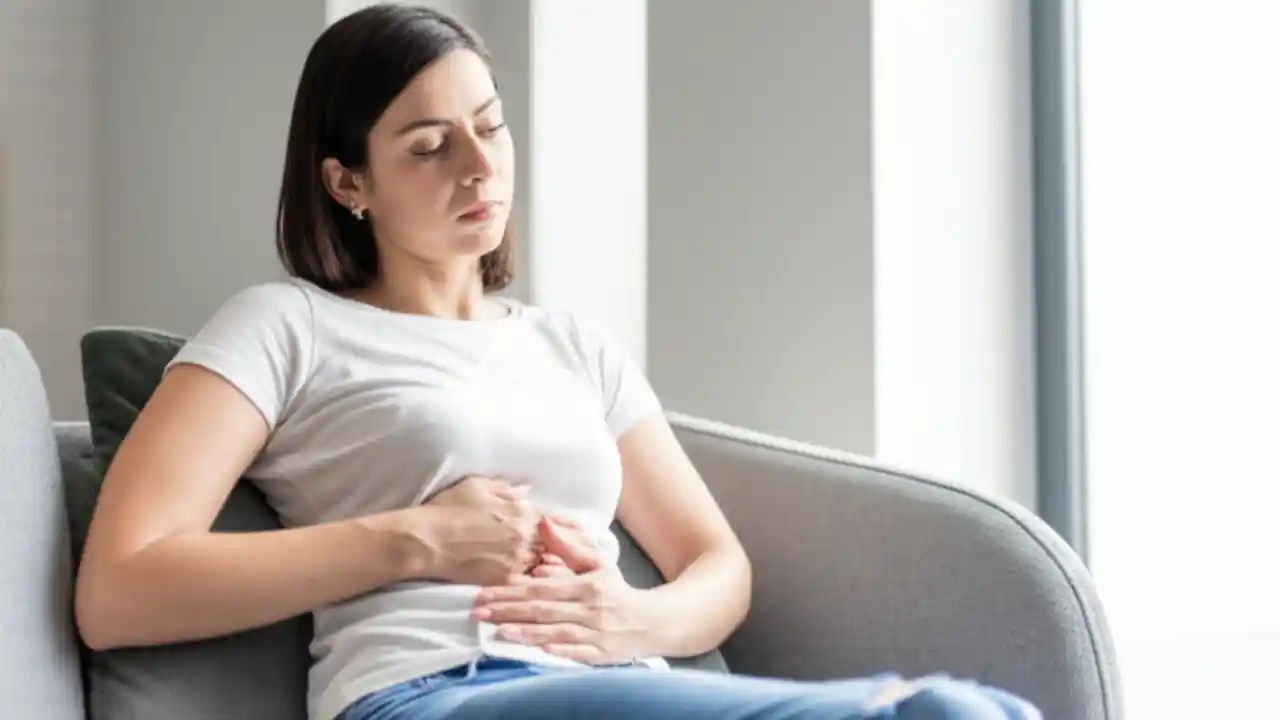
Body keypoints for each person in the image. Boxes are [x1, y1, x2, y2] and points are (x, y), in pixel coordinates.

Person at [74, 5, 1042, 719]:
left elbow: (718, 566)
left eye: (489, 126)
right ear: (346, 182)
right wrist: (416, 539)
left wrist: (633, 620)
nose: (479, 166)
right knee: (950, 718)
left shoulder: (569, 344)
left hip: (614, 682)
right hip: (433, 692)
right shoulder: (286, 326)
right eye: (428, 146)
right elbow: (119, 589)